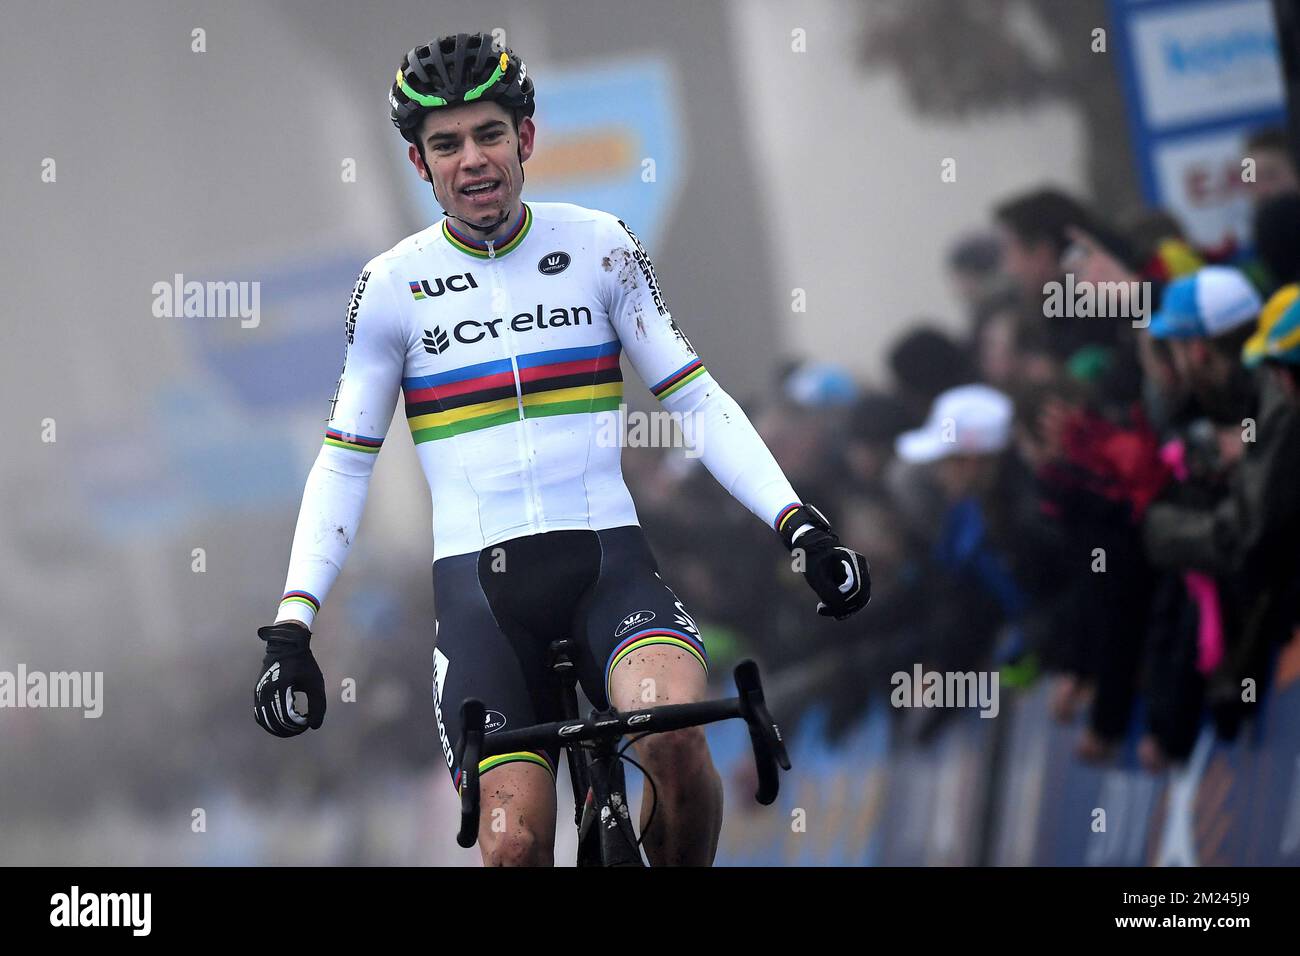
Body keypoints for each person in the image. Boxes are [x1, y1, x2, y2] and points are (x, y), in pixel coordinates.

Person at [249, 32, 869, 867]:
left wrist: (800, 524)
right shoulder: (391, 287)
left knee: (674, 740)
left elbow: (694, 397)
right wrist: (295, 627)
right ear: (418, 163)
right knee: (513, 846)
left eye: (489, 134)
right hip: (481, 602)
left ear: (526, 139)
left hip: (611, 571)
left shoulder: (601, 245)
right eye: (446, 144)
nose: (472, 160)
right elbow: (345, 462)